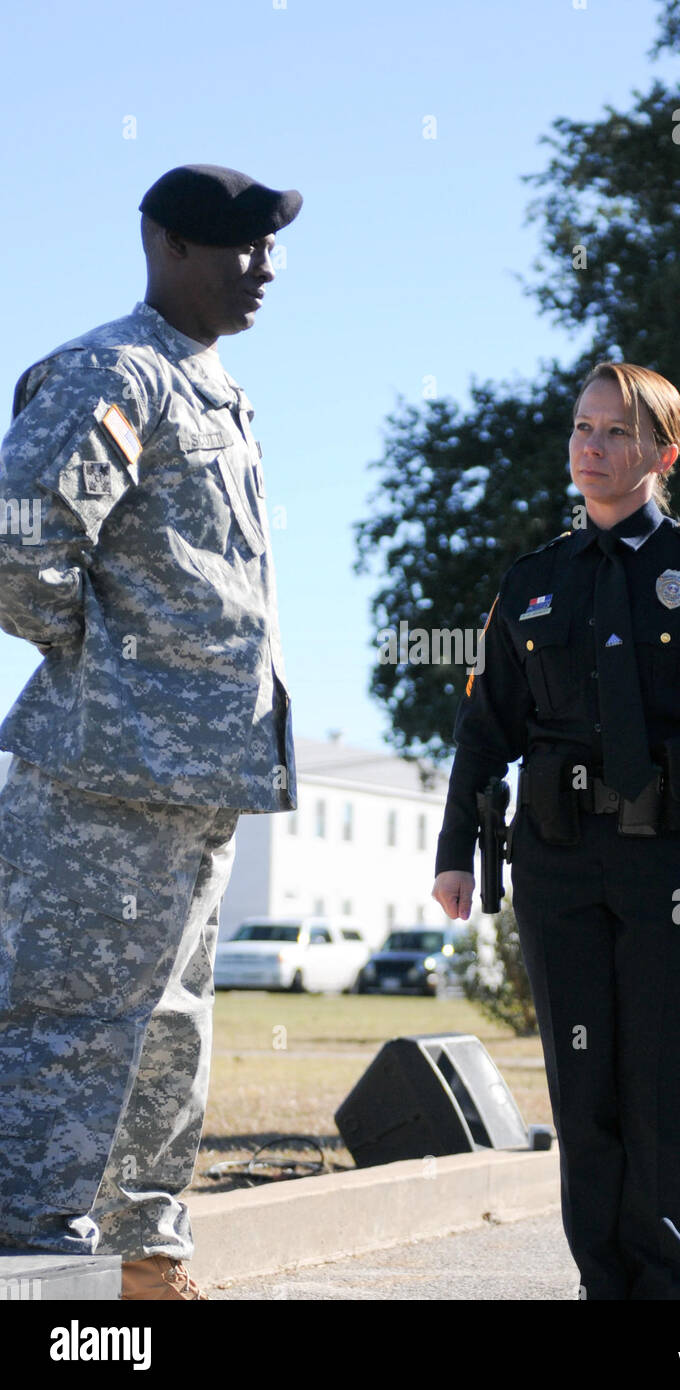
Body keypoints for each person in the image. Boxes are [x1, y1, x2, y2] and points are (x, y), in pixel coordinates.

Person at [432, 362, 680, 1300]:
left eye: (614, 433)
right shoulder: (530, 585)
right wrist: (452, 856)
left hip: (677, 862)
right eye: (581, 428)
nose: (590, 448)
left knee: (664, 1090)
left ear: (662, 453)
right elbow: (485, 734)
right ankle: (603, 1286)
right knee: (584, 1089)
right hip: (558, 862)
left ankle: (673, 1295)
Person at [0, 164, 302, 1300]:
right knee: (62, 1037)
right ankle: (33, 1284)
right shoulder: (114, 377)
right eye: (238, 247)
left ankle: (142, 1269)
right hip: (102, 779)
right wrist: (106, 667)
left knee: (166, 1036)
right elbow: (16, 540)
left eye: (272, 248)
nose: (263, 269)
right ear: (163, 243)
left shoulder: (210, 389)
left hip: (192, 783)